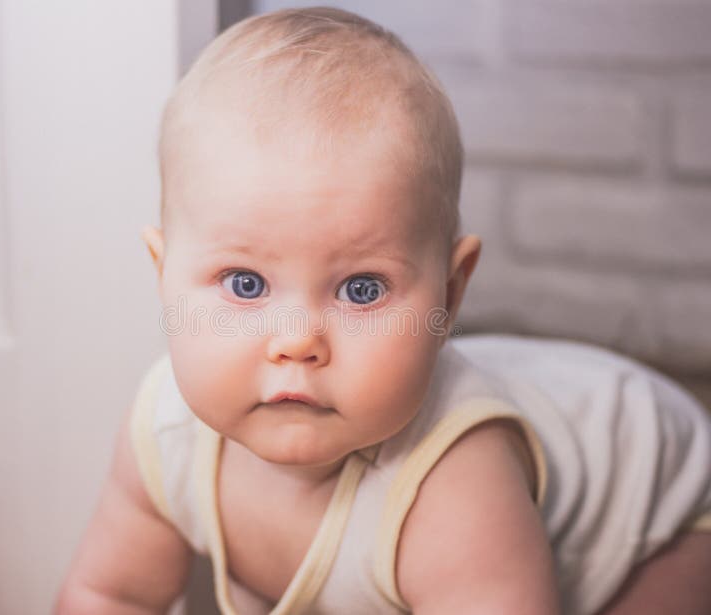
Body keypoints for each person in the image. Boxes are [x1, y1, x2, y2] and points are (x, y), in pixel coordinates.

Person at [56, 7, 711, 615]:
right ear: (164, 275)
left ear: (449, 294)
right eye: (246, 283)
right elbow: (109, 593)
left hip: (665, 512)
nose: (297, 340)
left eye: (361, 289)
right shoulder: (165, 432)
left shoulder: (453, 484)